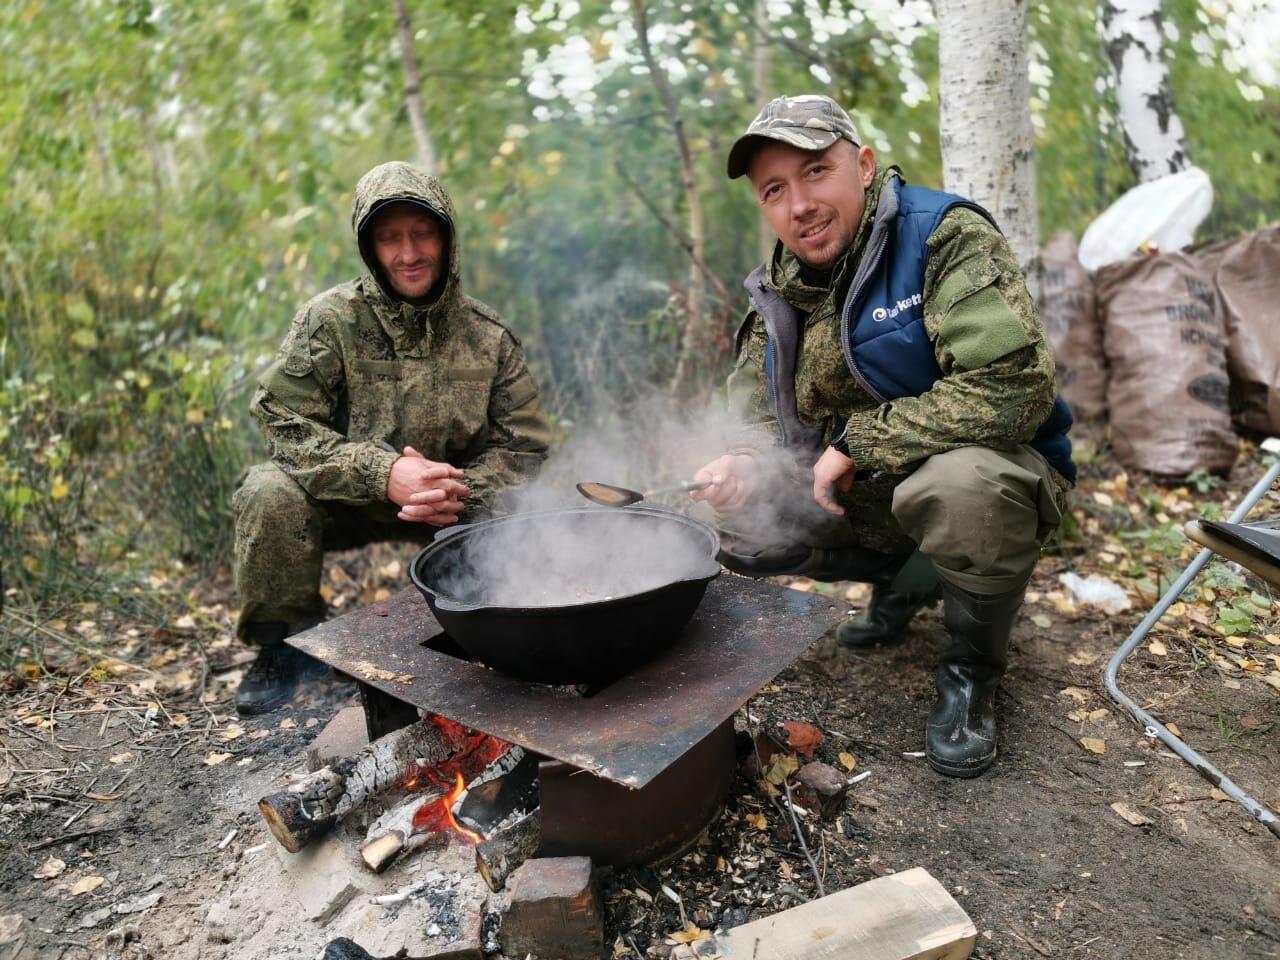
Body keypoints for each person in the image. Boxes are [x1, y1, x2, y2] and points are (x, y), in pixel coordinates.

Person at [692, 95, 1075, 778]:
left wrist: (855, 444)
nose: (799, 204)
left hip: (991, 483)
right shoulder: (776, 292)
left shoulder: (940, 237)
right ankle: (901, 582)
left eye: (816, 172)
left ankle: (969, 674)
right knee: (718, 516)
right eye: (775, 190)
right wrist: (742, 462)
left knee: (961, 486)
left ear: (863, 166)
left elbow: (1013, 386)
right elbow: (751, 418)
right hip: (863, 499)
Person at [232, 161, 551, 715]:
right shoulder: (329, 321)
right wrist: (381, 475)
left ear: (447, 237)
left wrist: (457, 489)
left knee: (536, 512)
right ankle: (280, 647)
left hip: (450, 509)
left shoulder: (488, 336)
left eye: (422, 233)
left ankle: (478, 629)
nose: (409, 253)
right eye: (389, 238)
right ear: (369, 247)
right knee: (268, 492)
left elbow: (524, 448)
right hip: (349, 501)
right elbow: (283, 419)